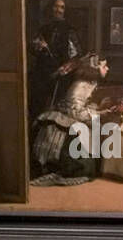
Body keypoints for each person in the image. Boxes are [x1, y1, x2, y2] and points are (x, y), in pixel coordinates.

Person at [30, 54, 110, 184]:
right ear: (94, 68)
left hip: (76, 115)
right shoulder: (82, 85)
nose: (108, 68)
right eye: (104, 66)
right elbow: (73, 110)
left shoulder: (90, 83)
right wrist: (98, 114)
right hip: (67, 120)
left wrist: (98, 110)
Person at [28, 0, 82, 128]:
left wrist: (64, 69)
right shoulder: (44, 28)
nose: (58, 10)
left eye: (62, 7)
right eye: (56, 6)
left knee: (56, 112)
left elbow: (75, 56)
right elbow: (32, 50)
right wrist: (38, 46)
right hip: (41, 73)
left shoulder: (69, 30)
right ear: (51, 8)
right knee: (37, 108)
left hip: (60, 76)